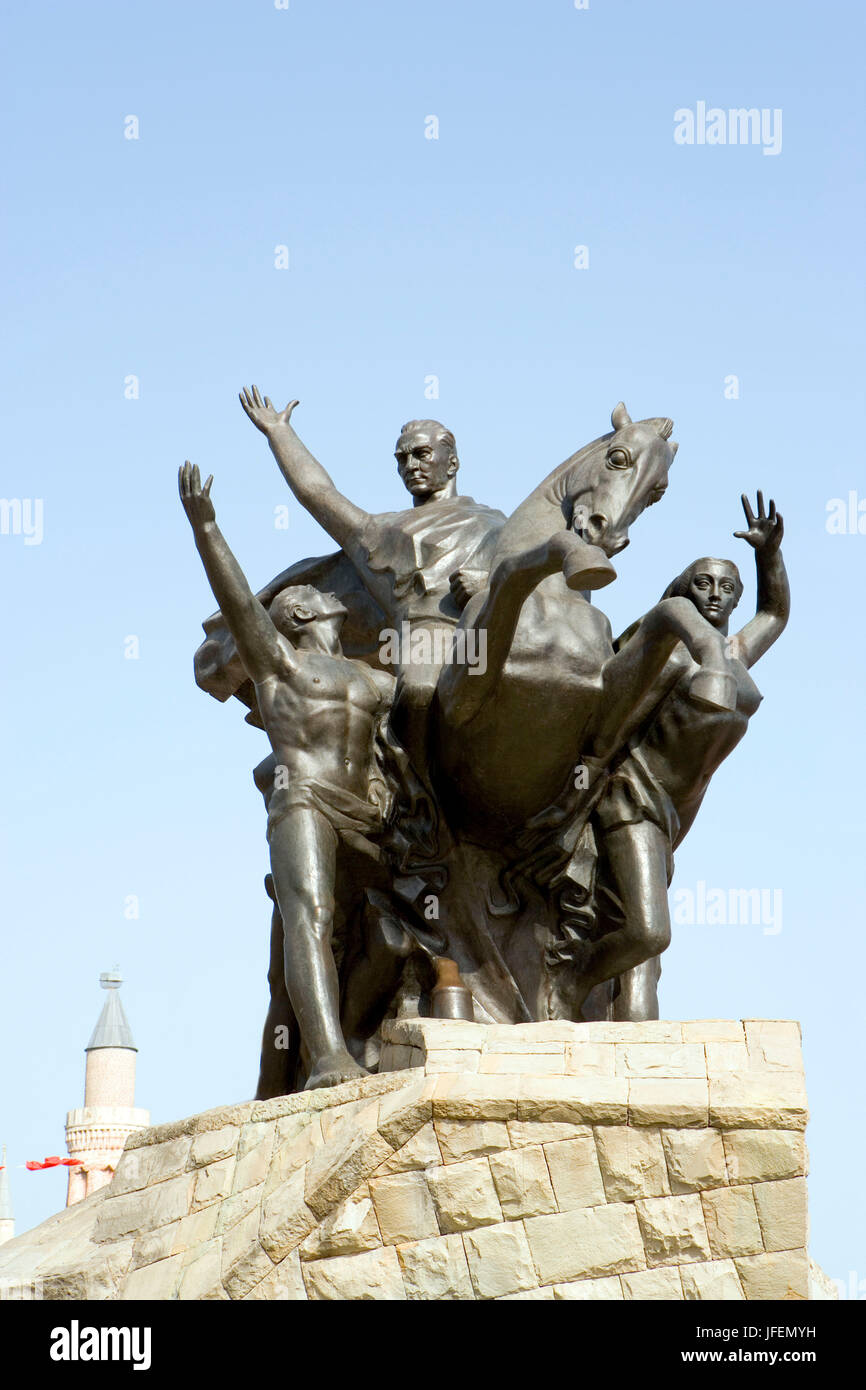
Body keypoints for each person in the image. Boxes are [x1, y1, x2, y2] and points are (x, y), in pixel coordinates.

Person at [179, 461, 399, 1088]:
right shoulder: (282, 668)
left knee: (395, 935)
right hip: (303, 800)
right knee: (313, 917)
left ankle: (351, 1034)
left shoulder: (377, 681)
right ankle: (328, 1055)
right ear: (301, 614)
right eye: (320, 594)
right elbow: (240, 602)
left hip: (367, 817)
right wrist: (207, 529)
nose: (335, 594)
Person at [582, 492, 790, 1019]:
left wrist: (768, 556)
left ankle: (632, 1039)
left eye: (727, 587)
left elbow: (776, 612)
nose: (715, 594)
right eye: (703, 583)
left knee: (640, 952)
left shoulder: (737, 655)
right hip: (633, 797)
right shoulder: (667, 648)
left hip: (675, 816)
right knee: (648, 932)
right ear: (683, 589)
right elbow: (610, 714)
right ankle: (566, 982)